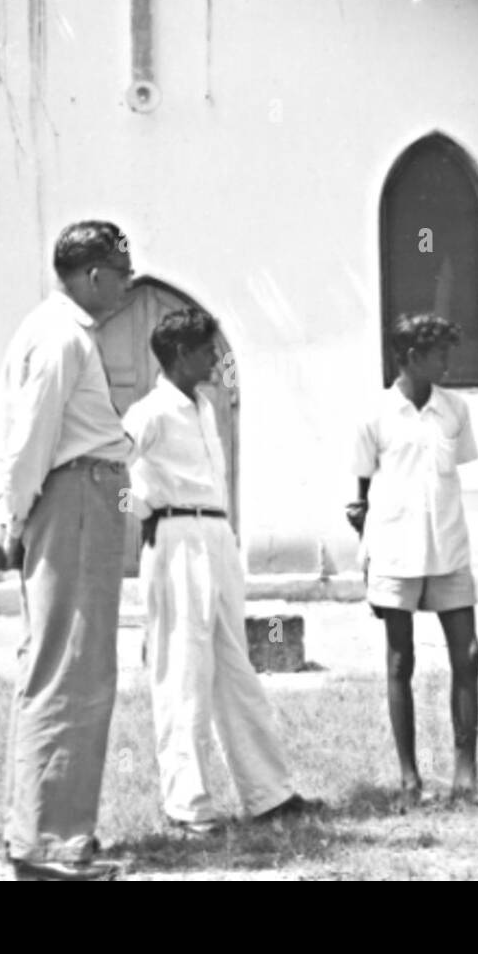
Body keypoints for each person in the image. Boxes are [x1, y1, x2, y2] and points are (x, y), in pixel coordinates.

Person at [0, 219, 134, 881]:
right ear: (95, 274)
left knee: (60, 666)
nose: (128, 282)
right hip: (77, 500)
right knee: (71, 670)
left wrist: (11, 514)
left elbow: (13, 428)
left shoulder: (43, 330)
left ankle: (44, 833)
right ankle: (49, 847)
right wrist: (7, 520)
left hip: (74, 501)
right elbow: (33, 437)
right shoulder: (64, 337)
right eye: (123, 270)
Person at [124, 309, 314, 835]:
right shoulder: (150, 412)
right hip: (176, 538)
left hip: (217, 537)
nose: (215, 357)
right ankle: (188, 806)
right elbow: (112, 465)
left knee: (235, 666)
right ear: (182, 353)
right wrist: (141, 510)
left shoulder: (203, 406)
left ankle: (269, 793)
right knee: (183, 671)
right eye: (207, 350)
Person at [349, 314, 478, 807]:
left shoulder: (455, 409)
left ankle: (465, 779)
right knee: (400, 660)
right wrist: (365, 545)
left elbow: (455, 469)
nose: (448, 361)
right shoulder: (373, 413)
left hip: (447, 546)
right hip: (394, 549)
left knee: (468, 656)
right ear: (409, 357)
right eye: (439, 353)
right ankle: (409, 781)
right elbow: (362, 483)